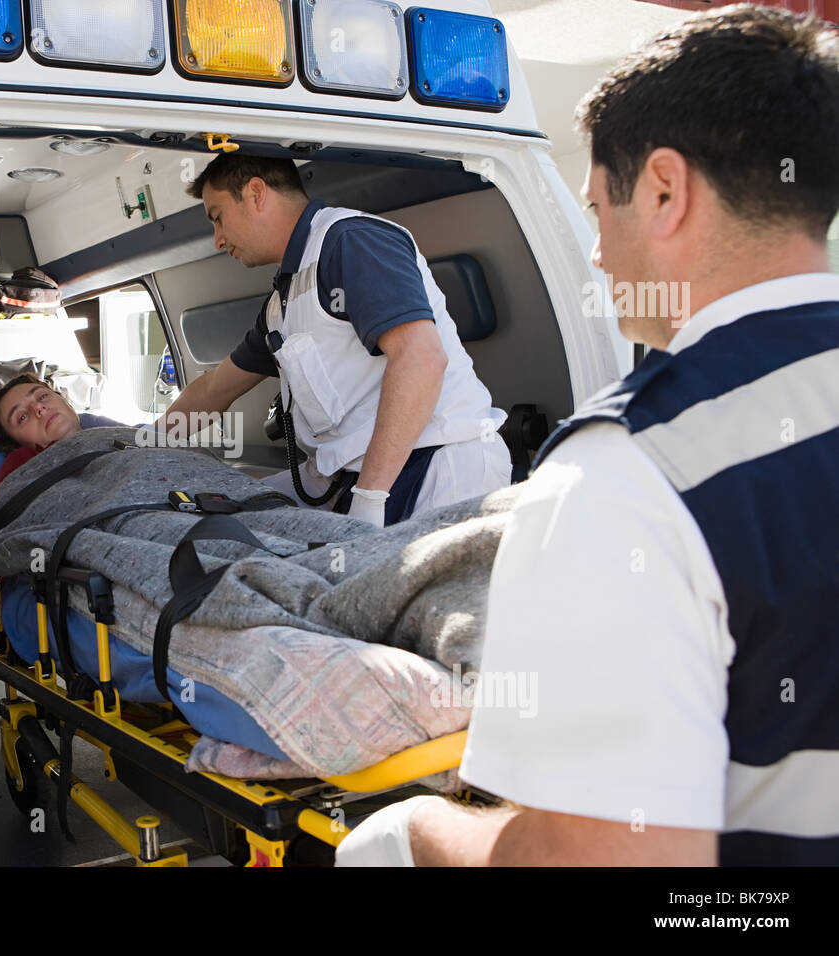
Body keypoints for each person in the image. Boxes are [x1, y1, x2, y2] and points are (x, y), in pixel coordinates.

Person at [335, 4, 839, 866]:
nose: (599, 255)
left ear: (666, 192)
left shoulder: (634, 471)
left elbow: (602, 858)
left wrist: (412, 836)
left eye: (598, 208)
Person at [160, 154, 510, 528]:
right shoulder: (283, 302)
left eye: (218, 217)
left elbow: (421, 358)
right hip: (355, 477)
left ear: (256, 193)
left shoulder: (349, 241)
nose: (218, 239)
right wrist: (147, 439)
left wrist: (371, 496)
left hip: (435, 469)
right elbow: (215, 388)